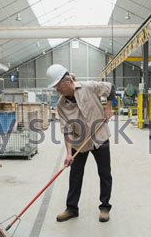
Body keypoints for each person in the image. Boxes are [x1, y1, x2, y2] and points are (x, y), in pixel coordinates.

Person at [46, 64, 115, 223]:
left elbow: (111, 88)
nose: (57, 91)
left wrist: (108, 108)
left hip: (100, 136)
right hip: (79, 142)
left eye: (58, 87)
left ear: (68, 81)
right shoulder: (61, 105)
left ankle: (105, 207)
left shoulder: (89, 87)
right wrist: (69, 153)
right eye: (55, 87)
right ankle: (71, 209)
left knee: (104, 174)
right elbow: (66, 130)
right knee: (75, 176)